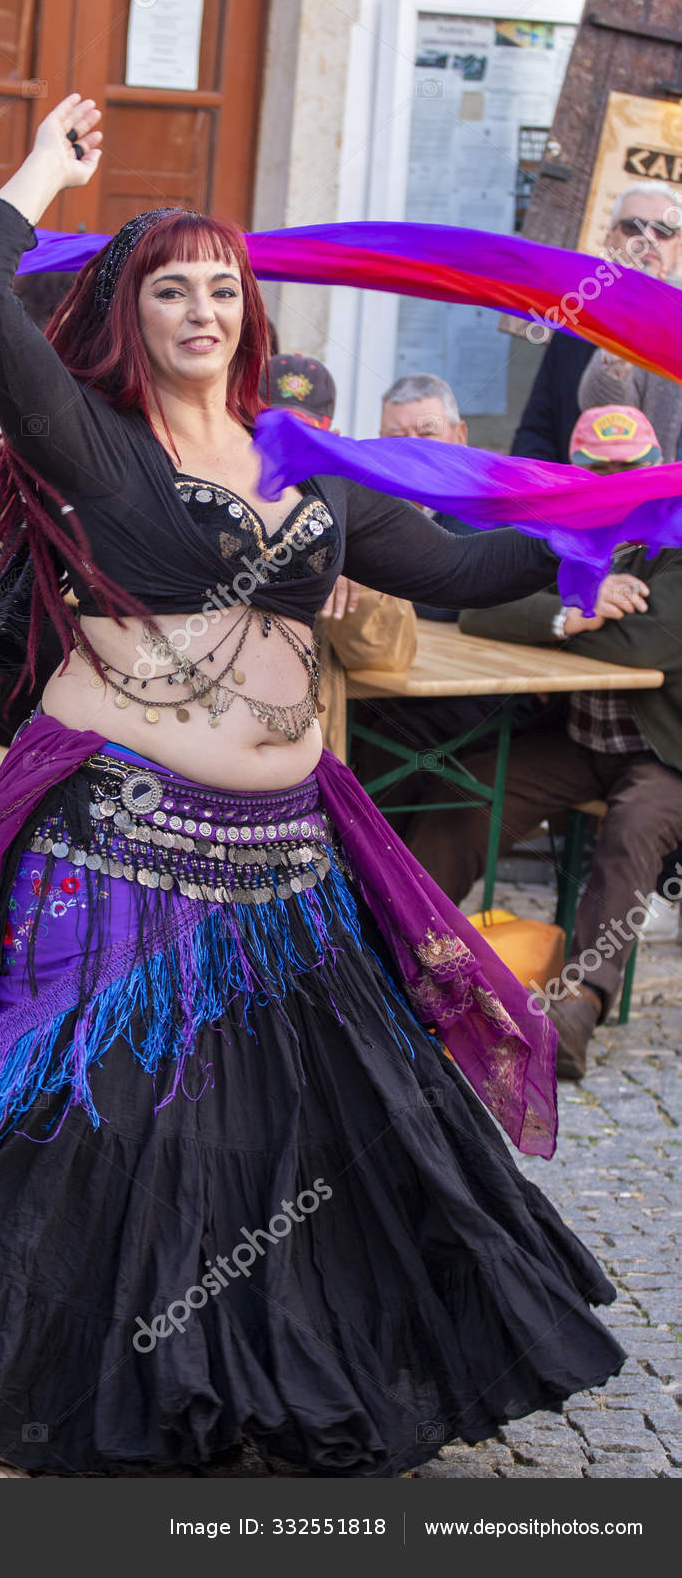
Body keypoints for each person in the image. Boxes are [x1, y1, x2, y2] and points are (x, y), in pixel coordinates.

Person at [0, 94, 625, 1479]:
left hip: (282, 850)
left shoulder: (309, 466)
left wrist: (598, 516)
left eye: (222, 286)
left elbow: (457, 565)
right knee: (85, 1118)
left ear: (249, 313)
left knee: (295, 1126)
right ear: (130, 311)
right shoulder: (93, 444)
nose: (200, 309)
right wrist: (45, 166)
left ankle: (239, 1373)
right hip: (116, 834)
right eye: (170, 287)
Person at [406, 406, 676, 1083]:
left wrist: (556, 612)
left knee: (635, 827)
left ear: (656, 470)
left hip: (664, 752)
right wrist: (575, 607)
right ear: (573, 473)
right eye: (598, 471)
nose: (614, 482)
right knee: (466, 791)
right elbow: (480, 609)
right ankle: (398, 954)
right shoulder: (556, 528)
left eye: (629, 470)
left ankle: (579, 1004)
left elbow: (646, 644)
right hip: (581, 742)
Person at [349, 374, 564, 821]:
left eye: (426, 433)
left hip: (493, 693)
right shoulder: (373, 506)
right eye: (396, 437)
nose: (412, 448)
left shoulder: (498, 506)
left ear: (460, 435)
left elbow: (476, 595)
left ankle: (373, 860)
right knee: (347, 722)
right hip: (404, 678)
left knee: (392, 744)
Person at [261, 354, 417, 759]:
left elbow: (386, 656)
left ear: (332, 439)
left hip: (305, 761)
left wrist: (344, 557)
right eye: (273, 431)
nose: (287, 449)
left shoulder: (352, 512)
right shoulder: (208, 502)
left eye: (306, 436)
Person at [512, 183, 682, 463]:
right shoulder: (577, 325)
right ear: (608, 241)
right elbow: (537, 432)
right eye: (633, 227)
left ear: (678, 248)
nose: (648, 238)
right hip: (587, 489)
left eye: (663, 231)